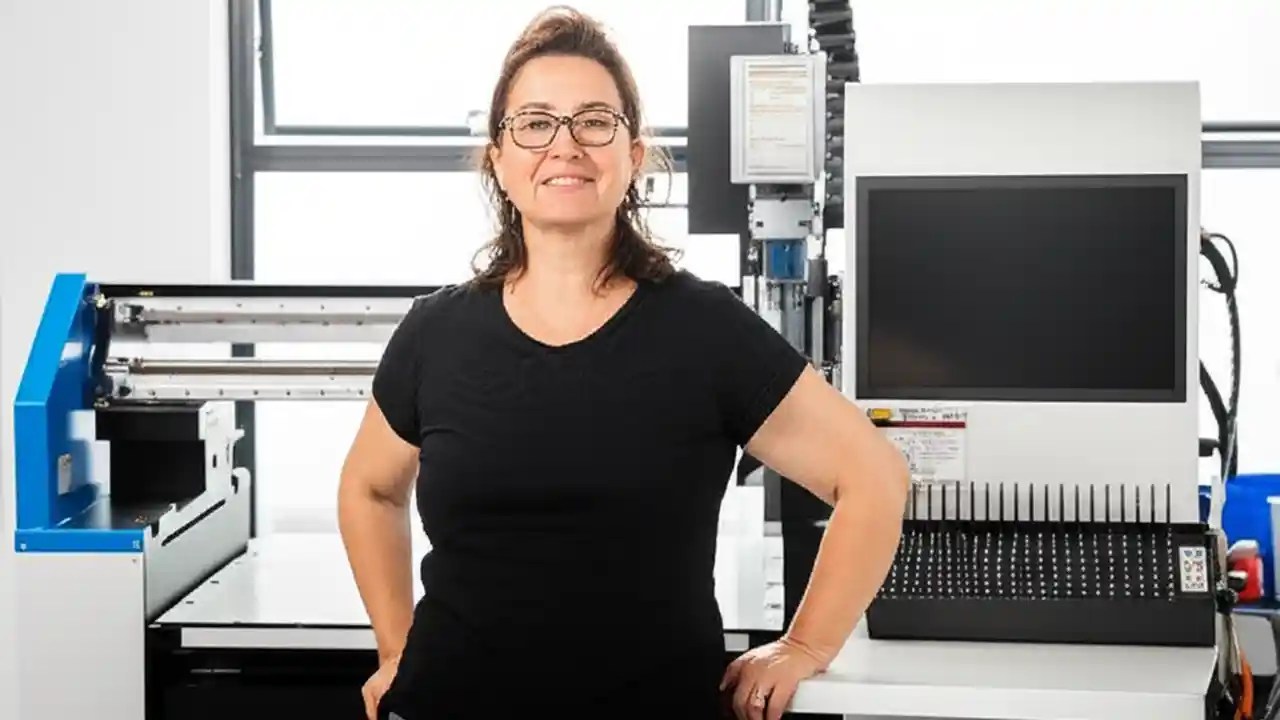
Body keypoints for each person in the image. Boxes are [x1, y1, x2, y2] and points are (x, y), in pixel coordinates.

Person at [337, 6, 910, 719]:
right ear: (499, 159)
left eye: (595, 121)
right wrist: (397, 649)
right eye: (536, 123)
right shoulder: (435, 333)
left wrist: (806, 644)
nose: (565, 145)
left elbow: (875, 478)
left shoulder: (704, 329)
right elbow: (369, 489)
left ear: (634, 155)